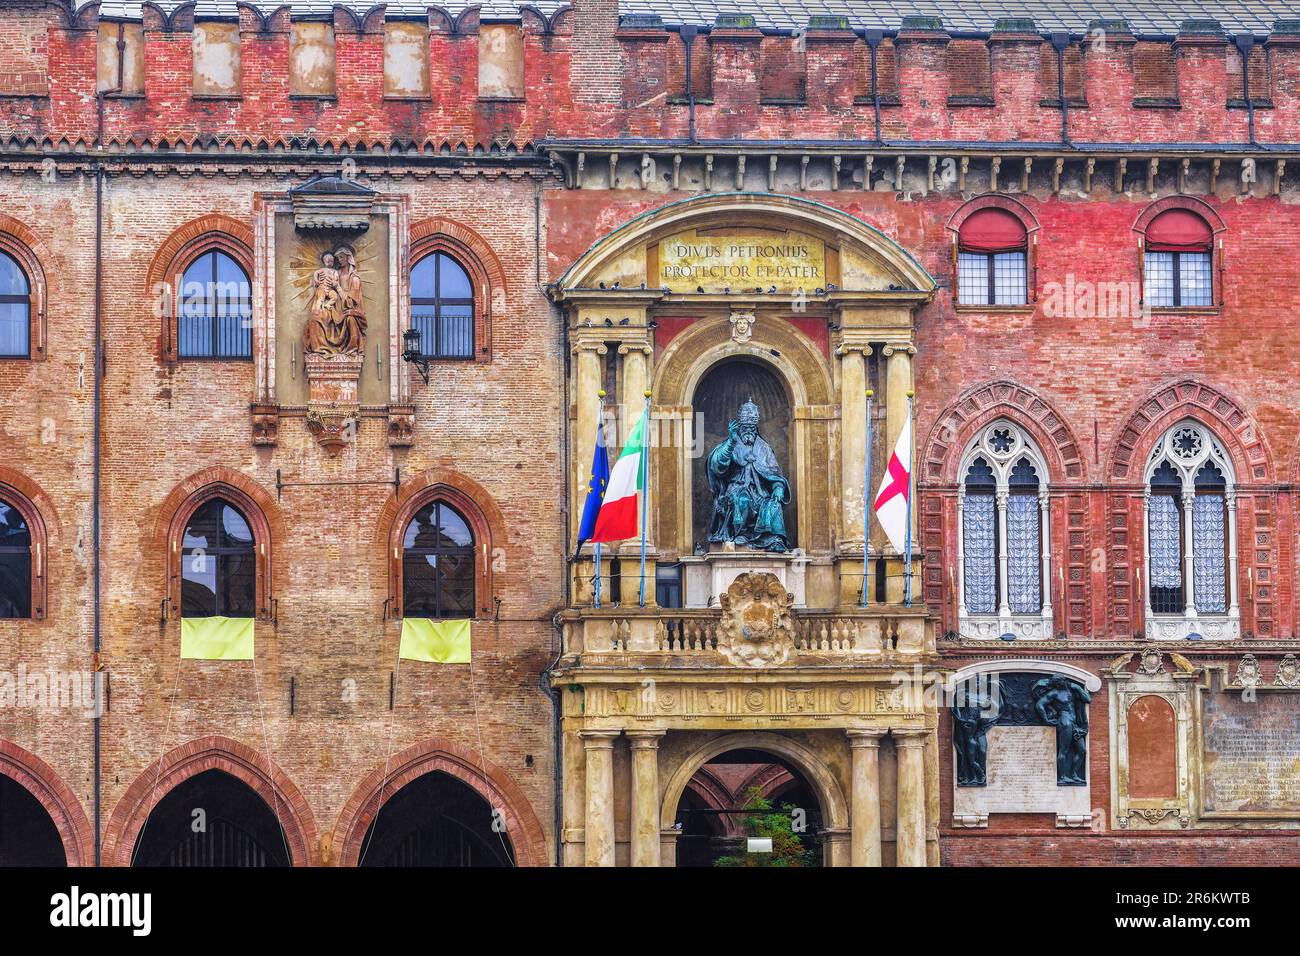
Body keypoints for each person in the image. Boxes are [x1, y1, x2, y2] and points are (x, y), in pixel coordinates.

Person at [705, 399, 790, 552]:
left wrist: (778, 488)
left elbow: (775, 474)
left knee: (774, 505)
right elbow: (718, 466)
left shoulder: (763, 447)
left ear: (756, 427)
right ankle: (740, 535)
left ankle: (774, 540)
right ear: (740, 427)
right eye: (745, 428)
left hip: (760, 493)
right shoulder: (732, 443)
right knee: (742, 500)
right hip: (736, 488)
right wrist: (731, 442)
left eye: (752, 428)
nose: (748, 431)